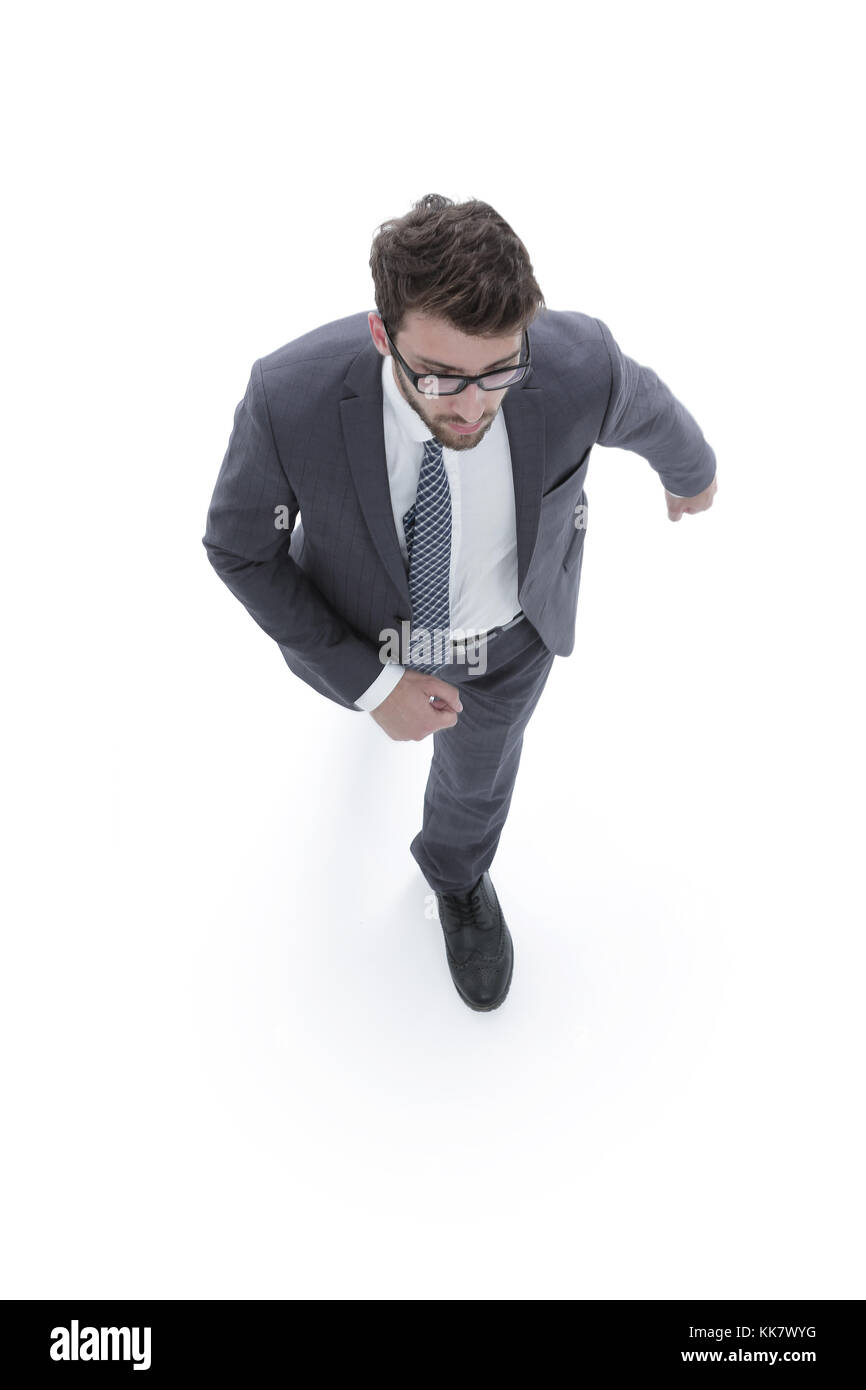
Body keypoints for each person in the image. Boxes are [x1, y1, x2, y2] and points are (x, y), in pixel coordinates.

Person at [202, 193, 717, 1013]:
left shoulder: (574, 360)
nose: (472, 405)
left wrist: (693, 472)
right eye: (439, 378)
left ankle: (456, 875)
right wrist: (372, 687)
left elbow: (642, 404)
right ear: (384, 337)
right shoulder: (287, 396)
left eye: (497, 373)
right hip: (361, 630)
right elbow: (239, 545)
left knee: (478, 779)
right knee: (373, 701)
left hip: (507, 641)